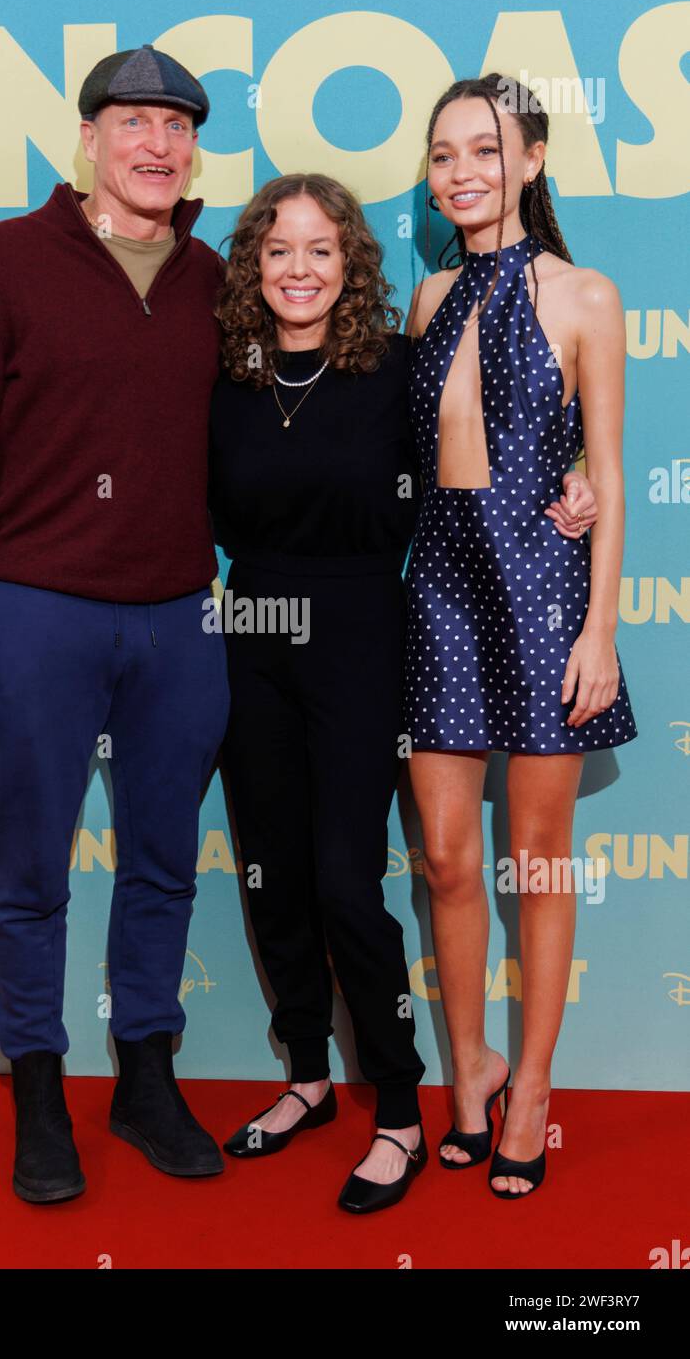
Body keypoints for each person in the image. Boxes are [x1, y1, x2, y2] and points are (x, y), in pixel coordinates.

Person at [208, 173, 598, 1213]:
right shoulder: (226, 371)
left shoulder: (394, 366)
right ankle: (305, 1075)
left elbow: (491, 427)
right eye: (279, 250)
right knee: (272, 877)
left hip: (364, 636)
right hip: (249, 632)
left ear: (352, 265)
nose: (299, 269)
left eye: (322, 250)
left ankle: (394, 1108)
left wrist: (578, 471)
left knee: (347, 881)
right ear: (254, 265)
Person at [0, 45, 230, 1201]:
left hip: (181, 620)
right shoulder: (3, 262)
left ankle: (145, 1076)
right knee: (31, 871)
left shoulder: (213, 276)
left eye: (178, 127)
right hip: (36, 612)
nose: (158, 145)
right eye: (134, 122)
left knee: (162, 863)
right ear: (87, 138)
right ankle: (38, 1093)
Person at [401, 74, 637, 1198]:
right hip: (440, 592)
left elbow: (610, 468)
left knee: (534, 864)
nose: (461, 172)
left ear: (532, 161)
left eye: (485, 151)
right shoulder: (425, 296)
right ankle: (471, 1070)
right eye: (443, 155)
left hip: (545, 598)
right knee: (447, 860)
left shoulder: (586, 295)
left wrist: (600, 628)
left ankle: (534, 1086)